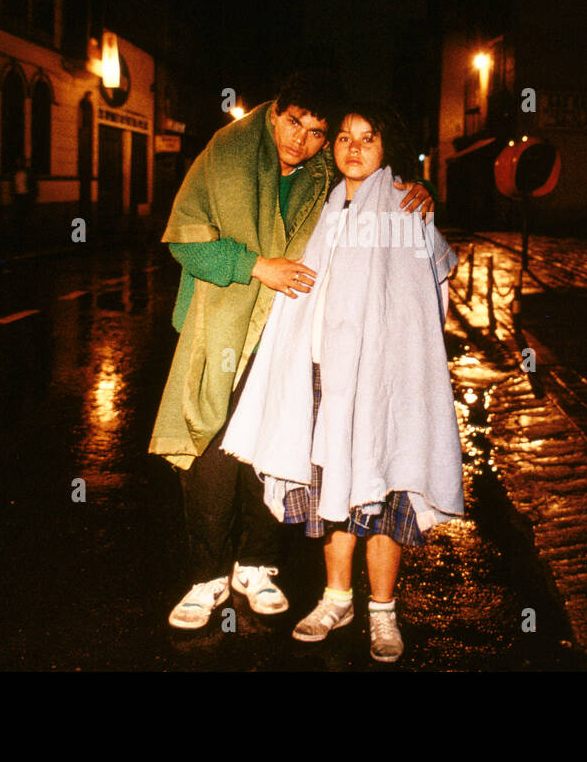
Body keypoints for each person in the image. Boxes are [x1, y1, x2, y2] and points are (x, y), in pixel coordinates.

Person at [150, 75, 433, 631]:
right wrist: (258, 266)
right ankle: (206, 575)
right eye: (293, 122)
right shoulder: (226, 156)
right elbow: (184, 239)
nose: (300, 140)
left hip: (285, 332)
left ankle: (256, 565)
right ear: (273, 114)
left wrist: (418, 185)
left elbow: (372, 176)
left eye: (315, 132)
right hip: (221, 328)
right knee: (210, 447)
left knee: (274, 446)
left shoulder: (324, 173)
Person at [221, 103, 463, 661]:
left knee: (383, 489)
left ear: (386, 148)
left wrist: (421, 193)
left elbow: (432, 285)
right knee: (335, 489)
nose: (354, 148)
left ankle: (382, 610)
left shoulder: (403, 206)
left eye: (369, 138)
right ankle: (336, 598)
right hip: (323, 375)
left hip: (384, 381)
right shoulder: (323, 204)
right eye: (346, 138)